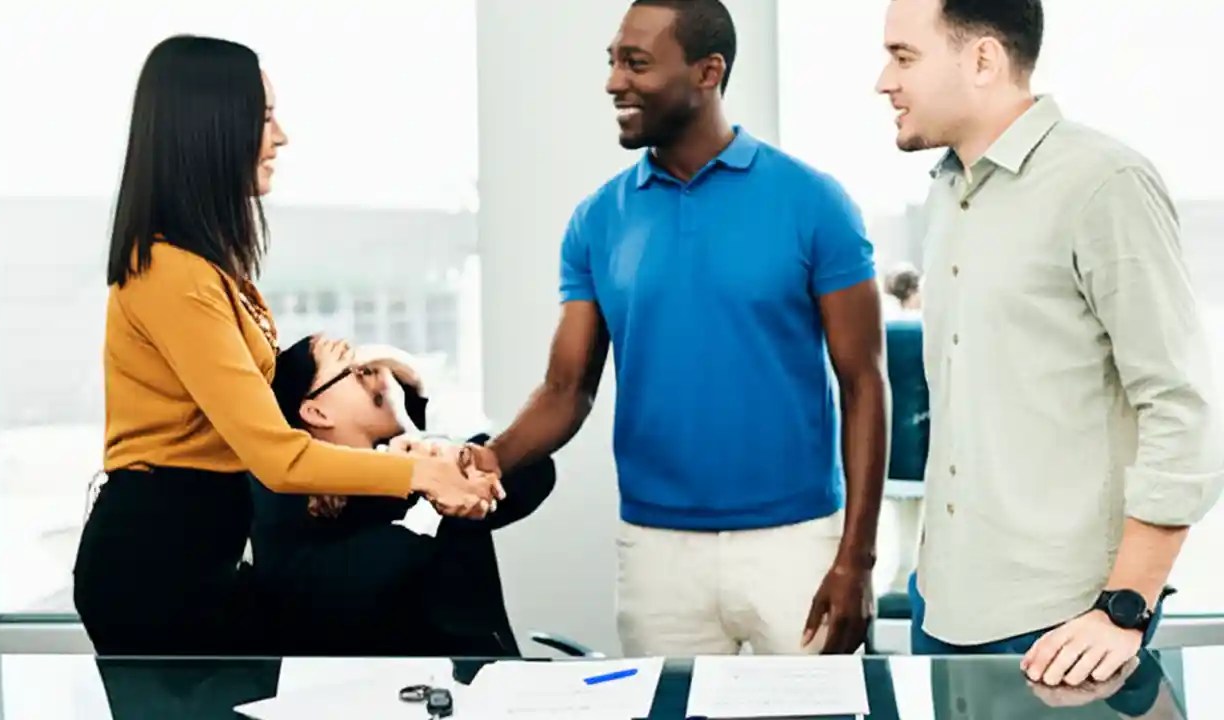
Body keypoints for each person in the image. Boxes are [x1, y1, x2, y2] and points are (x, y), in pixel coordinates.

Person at [467, 0, 889, 656]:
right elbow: (564, 389)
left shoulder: (813, 202)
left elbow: (864, 384)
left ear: (707, 71)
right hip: (655, 551)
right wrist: (488, 460)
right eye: (611, 62)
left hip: (798, 542)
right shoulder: (597, 219)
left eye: (635, 63)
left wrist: (856, 560)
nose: (613, 82)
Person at [72, 35, 501, 658]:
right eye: (266, 115)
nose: (281, 137)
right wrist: (423, 472)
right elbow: (277, 457)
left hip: (202, 550)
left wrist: (394, 409)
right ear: (214, 127)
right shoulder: (171, 274)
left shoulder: (211, 271)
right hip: (155, 564)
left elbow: (264, 410)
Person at [876, 0, 1224, 685]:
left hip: (1063, 627)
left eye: (904, 56)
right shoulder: (948, 192)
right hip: (941, 607)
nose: (883, 80)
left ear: (982, 59)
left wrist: (1123, 609)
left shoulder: (1103, 183)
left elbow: (1184, 408)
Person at [251, 336, 557, 657]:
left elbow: (535, 472)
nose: (382, 378)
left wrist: (427, 441)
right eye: (358, 372)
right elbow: (335, 592)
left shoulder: (429, 460)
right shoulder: (286, 500)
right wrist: (428, 499)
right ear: (316, 412)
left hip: (482, 686)